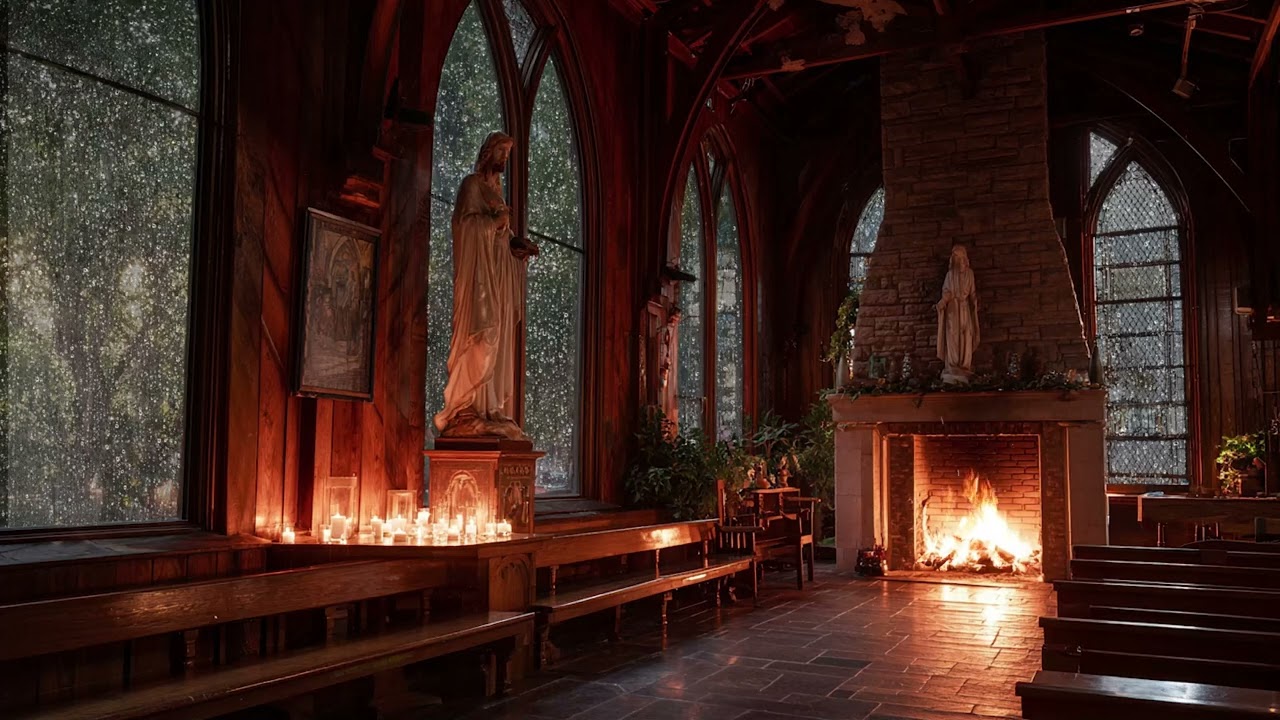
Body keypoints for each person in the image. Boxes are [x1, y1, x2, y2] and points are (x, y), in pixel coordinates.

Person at [434, 132, 536, 439]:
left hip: (497, 280)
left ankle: (489, 409)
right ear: (487, 152)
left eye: (508, 154)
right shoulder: (471, 185)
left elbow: (500, 238)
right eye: (501, 152)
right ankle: (464, 409)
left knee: (498, 339)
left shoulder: (497, 194)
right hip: (476, 283)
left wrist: (516, 245)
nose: (504, 159)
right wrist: (494, 224)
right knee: (482, 337)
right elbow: (465, 226)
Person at [935, 245, 979, 384]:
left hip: (965, 308)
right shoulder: (950, 275)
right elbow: (946, 291)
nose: (959, 261)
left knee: (966, 334)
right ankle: (953, 365)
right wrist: (944, 301)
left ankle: (964, 365)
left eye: (961, 257)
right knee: (953, 336)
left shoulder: (970, 274)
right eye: (956, 257)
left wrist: (975, 302)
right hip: (953, 310)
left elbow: (972, 293)